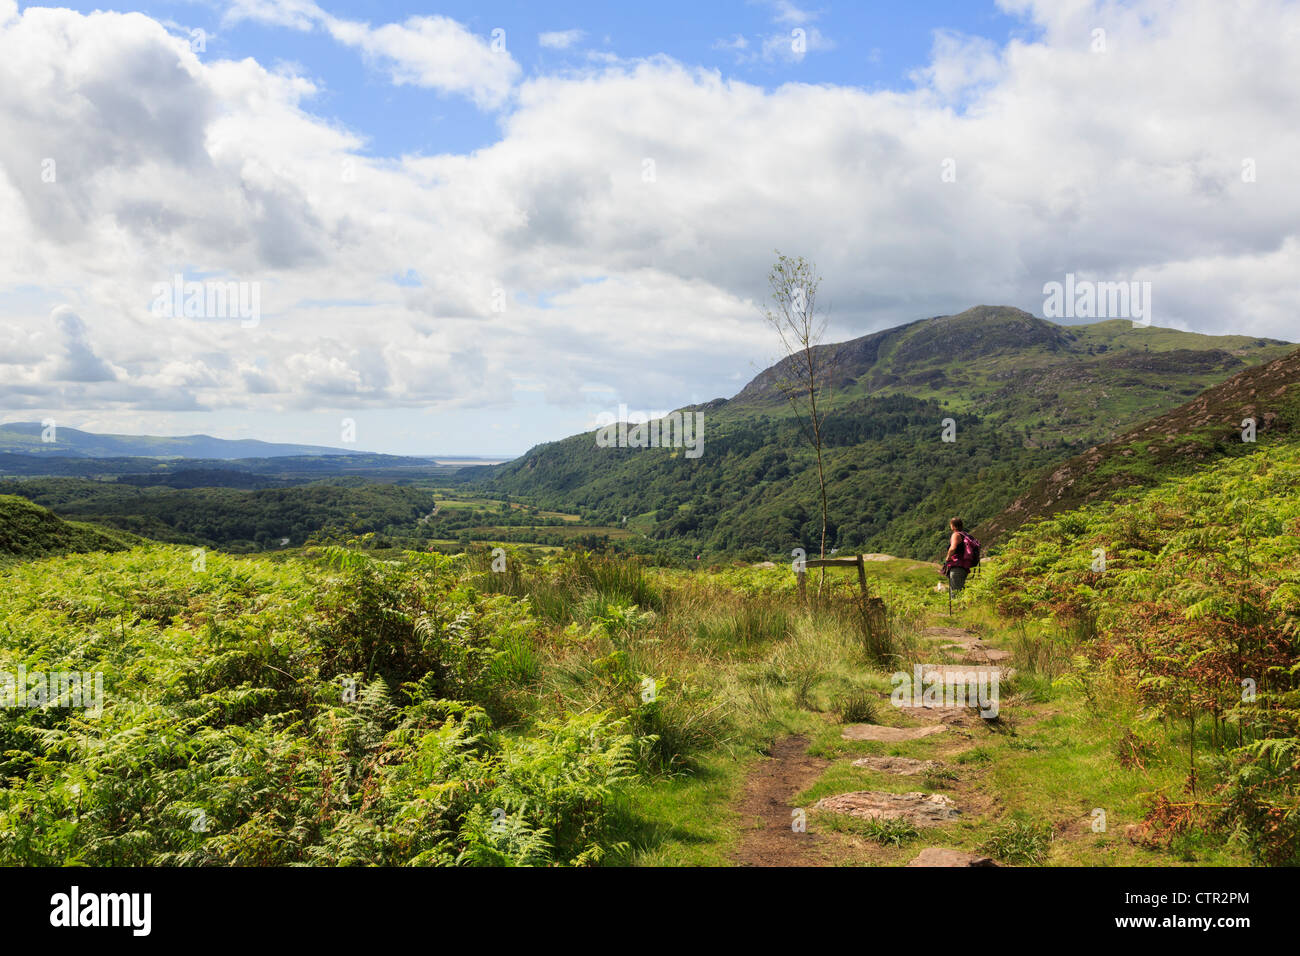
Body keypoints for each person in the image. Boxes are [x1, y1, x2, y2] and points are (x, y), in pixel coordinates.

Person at [941, 517, 973, 596]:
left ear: (953, 526)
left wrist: (948, 557)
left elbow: (953, 548)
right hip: (964, 567)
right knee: (960, 591)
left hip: (956, 567)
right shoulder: (964, 535)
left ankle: (958, 608)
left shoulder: (956, 535)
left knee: (955, 593)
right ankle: (962, 607)